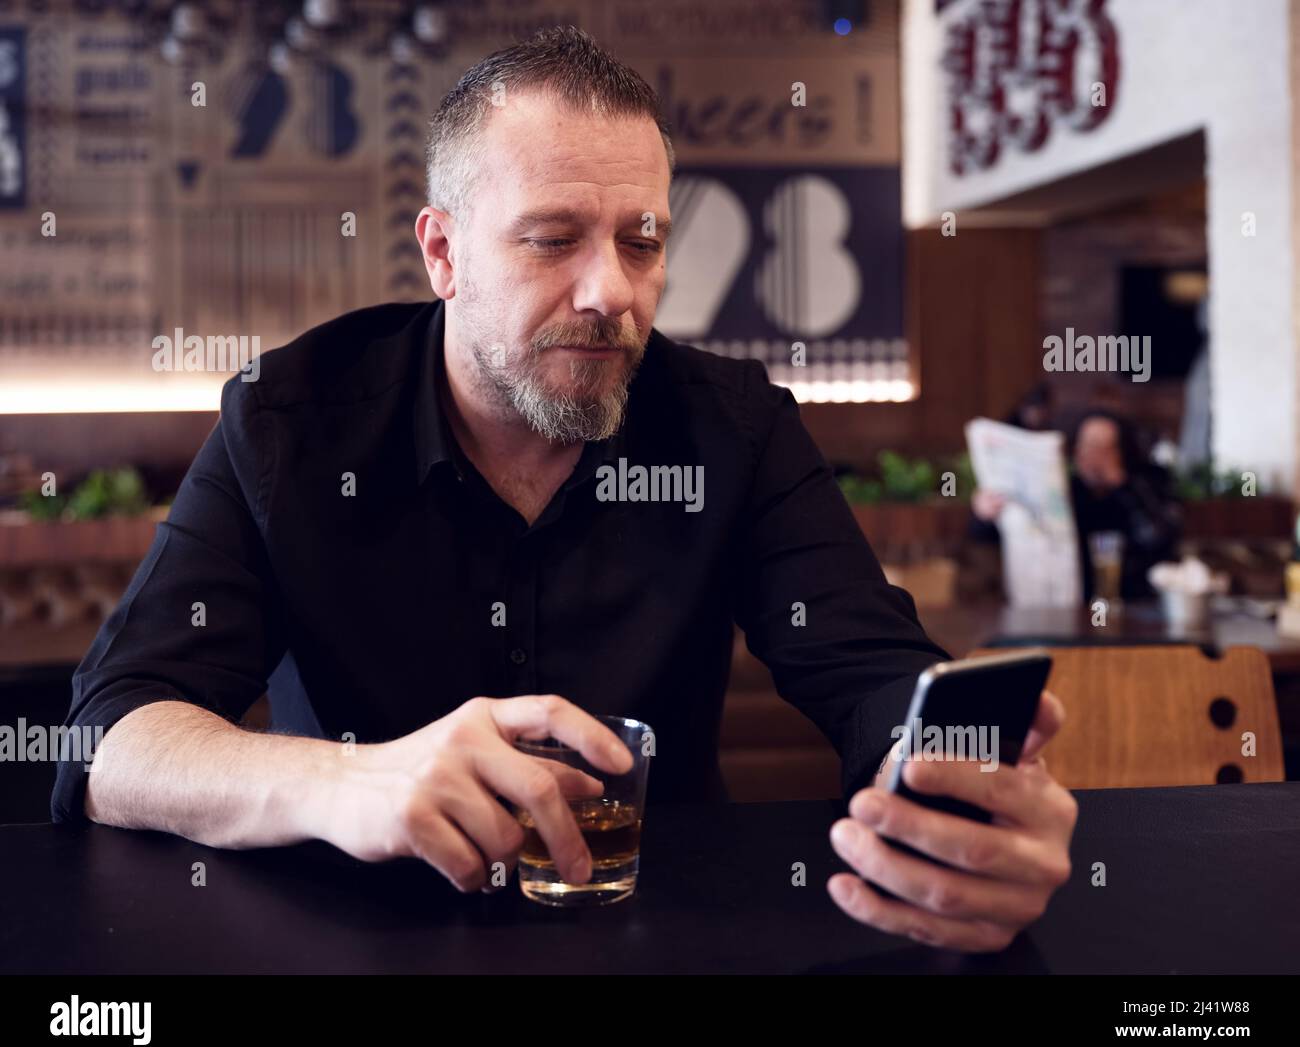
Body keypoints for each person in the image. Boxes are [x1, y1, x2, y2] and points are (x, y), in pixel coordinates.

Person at [55, 27, 1076, 953]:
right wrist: (352, 780)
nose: (612, 294)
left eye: (643, 241)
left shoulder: (735, 426)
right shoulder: (289, 421)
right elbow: (111, 736)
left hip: (656, 934)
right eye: (552, 239)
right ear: (442, 252)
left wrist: (957, 793)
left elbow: (869, 672)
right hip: (350, 936)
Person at [972, 409, 1182, 600]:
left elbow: (1159, 540)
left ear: (1121, 453)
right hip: (1073, 606)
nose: (1090, 454)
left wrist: (1120, 484)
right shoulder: (1066, 492)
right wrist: (984, 513)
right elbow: (988, 537)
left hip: (1136, 604)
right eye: (1086, 445)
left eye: (1101, 447)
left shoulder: (1146, 486)